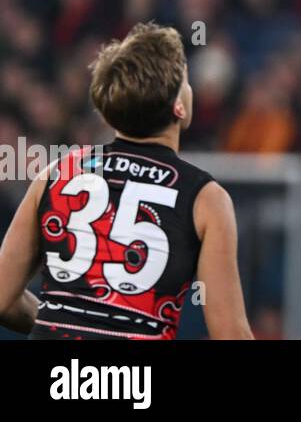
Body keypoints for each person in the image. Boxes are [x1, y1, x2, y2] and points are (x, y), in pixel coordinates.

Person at [0, 22, 253, 339]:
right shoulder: (205, 198)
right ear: (178, 104)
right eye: (186, 81)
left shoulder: (56, 174)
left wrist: (64, 321)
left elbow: (3, 299)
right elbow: (229, 332)